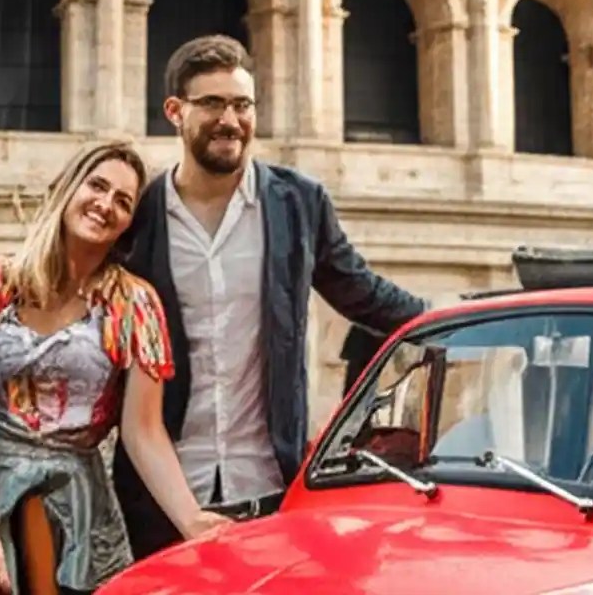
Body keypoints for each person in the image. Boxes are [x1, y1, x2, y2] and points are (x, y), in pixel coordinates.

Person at [0, 141, 230, 595]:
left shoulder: (135, 304)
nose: (106, 204)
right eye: (97, 185)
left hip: (74, 500)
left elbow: (143, 432)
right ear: (68, 189)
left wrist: (190, 517)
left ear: (129, 223)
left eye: (123, 201)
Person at [114, 34, 429, 559]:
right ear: (175, 111)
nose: (230, 120)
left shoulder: (298, 203)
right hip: (161, 499)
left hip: (270, 488)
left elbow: (364, 296)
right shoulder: (139, 214)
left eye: (242, 104)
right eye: (212, 103)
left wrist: (455, 319)